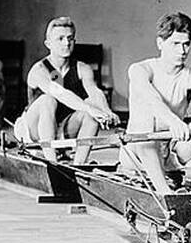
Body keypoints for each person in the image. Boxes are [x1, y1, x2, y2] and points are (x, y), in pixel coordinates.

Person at [120, 12, 191, 193]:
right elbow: (153, 101)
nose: (182, 51)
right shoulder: (140, 70)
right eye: (175, 44)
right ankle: (165, 193)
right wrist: (174, 121)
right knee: (145, 115)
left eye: (186, 44)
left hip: (172, 152)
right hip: (138, 151)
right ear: (160, 43)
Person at [15, 16, 117, 163]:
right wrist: (89, 108)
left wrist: (107, 111)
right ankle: (52, 162)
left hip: (62, 127)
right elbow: (60, 93)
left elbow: (94, 91)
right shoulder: (39, 69)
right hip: (34, 129)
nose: (66, 43)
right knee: (48, 100)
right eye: (60, 38)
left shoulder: (83, 68)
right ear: (48, 44)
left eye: (70, 38)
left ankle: (79, 164)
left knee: (92, 110)